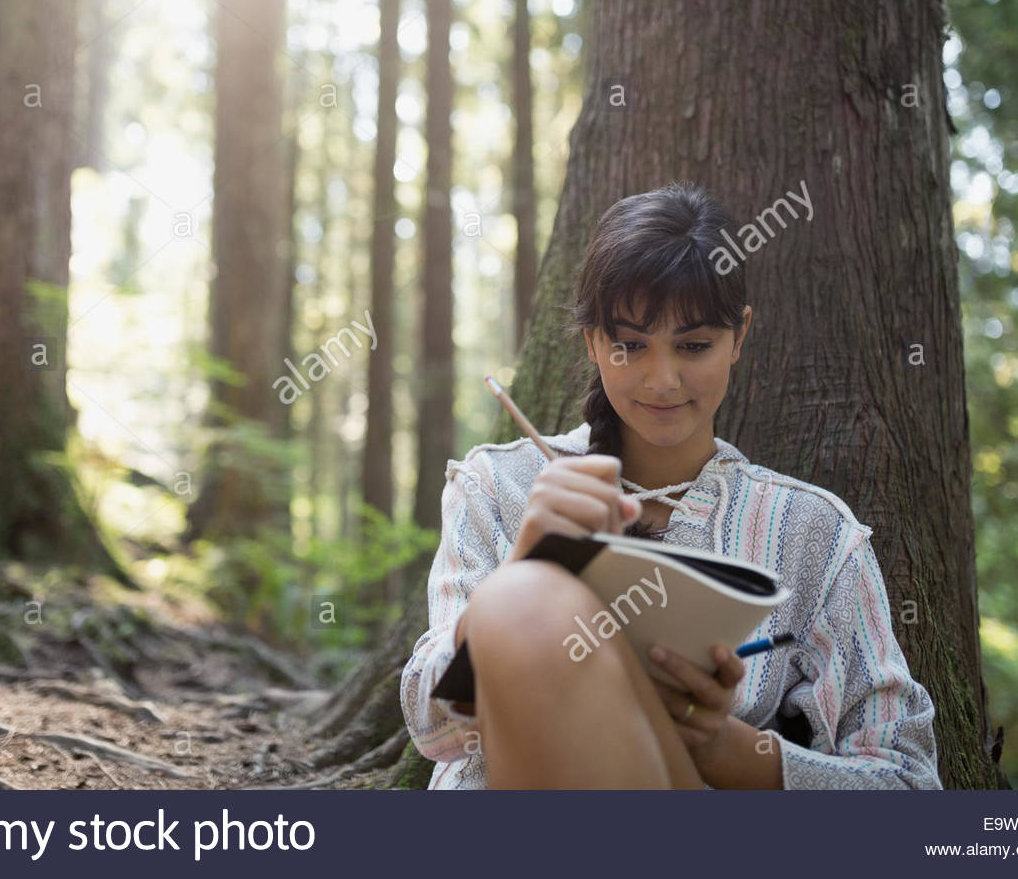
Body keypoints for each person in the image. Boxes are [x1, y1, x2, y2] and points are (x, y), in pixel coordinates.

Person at [398, 182, 943, 790]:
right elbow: (431, 732)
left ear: (740, 336)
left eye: (694, 345)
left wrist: (729, 751)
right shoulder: (497, 487)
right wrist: (523, 574)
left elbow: (910, 785)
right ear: (593, 343)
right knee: (523, 600)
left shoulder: (813, 534)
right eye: (630, 345)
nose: (662, 379)